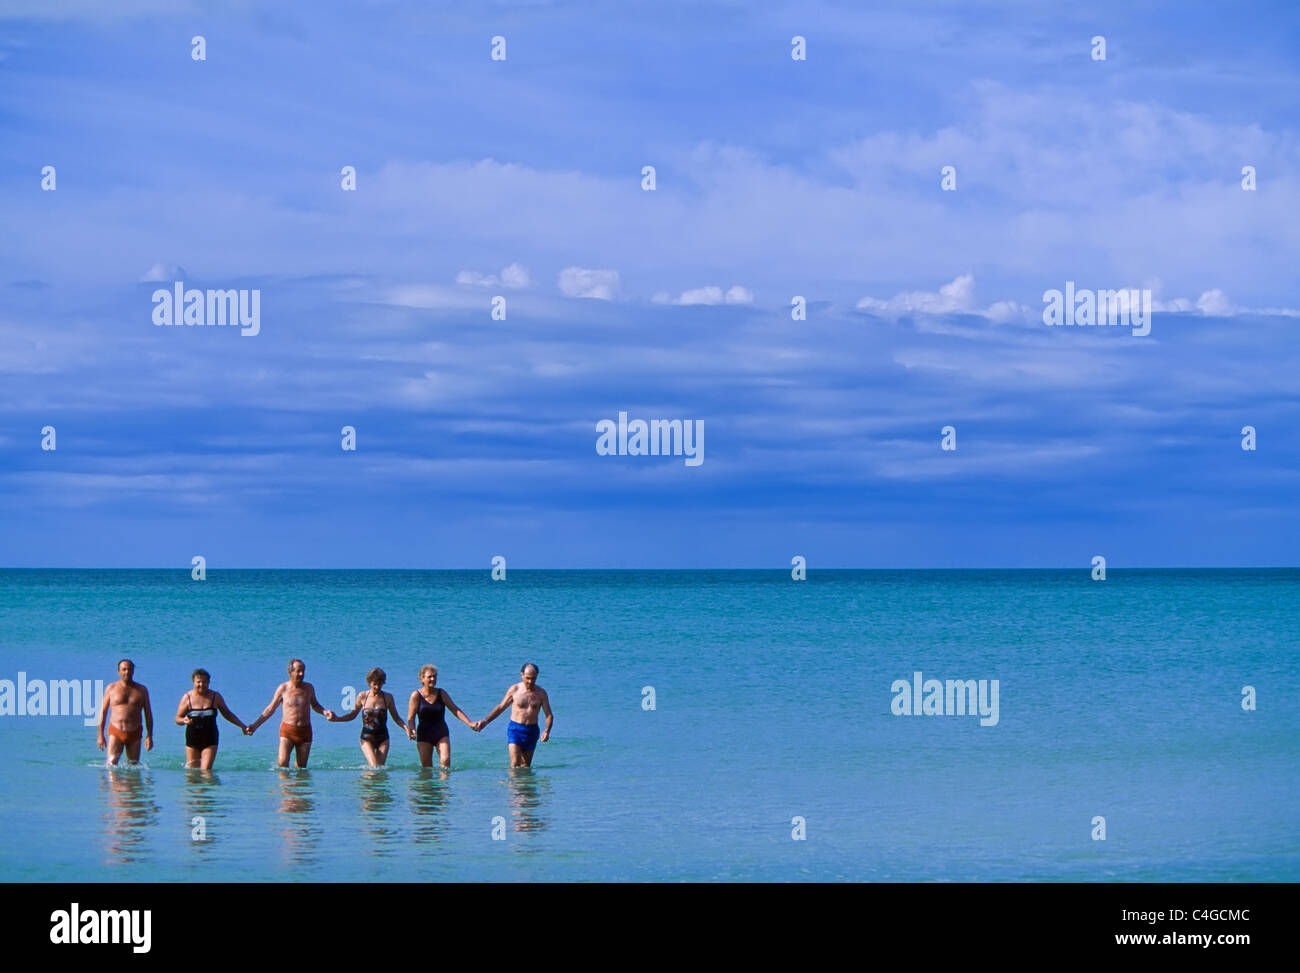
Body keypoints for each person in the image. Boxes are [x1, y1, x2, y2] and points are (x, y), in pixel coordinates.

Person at [246, 659, 335, 767]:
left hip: (305, 731)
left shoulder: (309, 688)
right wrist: (255, 725)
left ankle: (298, 784)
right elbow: (270, 709)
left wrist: (325, 712)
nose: (301, 674)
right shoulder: (283, 688)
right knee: (282, 764)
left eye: (303, 671)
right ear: (290, 672)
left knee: (301, 768)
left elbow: (315, 705)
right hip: (288, 731)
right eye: (298, 671)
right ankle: (284, 784)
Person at [476, 663, 552, 767]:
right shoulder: (514, 690)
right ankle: (512, 783)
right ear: (522, 675)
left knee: (525, 766)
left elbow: (549, 715)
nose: (530, 681)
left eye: (533, 678)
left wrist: (547, 731)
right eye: (527, 678)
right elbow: (500, 708)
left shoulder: (541, 693)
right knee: (515, 763)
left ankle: (523, 784)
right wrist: (486, 721)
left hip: (532, 730)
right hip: (515, 729)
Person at [329, 667, 408, 767]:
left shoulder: (388, 697)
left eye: (379, 684)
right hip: (367, 737)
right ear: (369, 683)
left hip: (383, 737)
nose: (377, 687)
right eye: (374, 684)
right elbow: (352, 715)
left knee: (380, 769)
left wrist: (406, 729)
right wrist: (336, 719)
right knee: (374, 766)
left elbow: (396, 718)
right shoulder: (362, 696)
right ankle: (366, 781)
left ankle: (370, 781)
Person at [406, 664, 478, 769]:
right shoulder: (416, 695)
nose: (433, 679)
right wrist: (412, 729)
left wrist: (469, 723)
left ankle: (444, 785)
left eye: (434, 676)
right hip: (424, 733)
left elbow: (455, 709)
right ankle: (428, 786)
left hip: (441, 732)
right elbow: (411, 718)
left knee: (445, 762)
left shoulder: (441, 693)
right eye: (429, 677)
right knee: (427, 768)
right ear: (422, 679)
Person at [174, 668, 248, 769]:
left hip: (210, 738)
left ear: (209, 682)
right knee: (192, 773)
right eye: (198, 682)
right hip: (192, 738)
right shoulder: (187, 697)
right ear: (193, 682)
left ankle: (208, 785)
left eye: (204, 682)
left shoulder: (215, 697)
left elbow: (227, 714)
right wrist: (184, 720)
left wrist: (242, 726)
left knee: (206, 771)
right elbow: (177, 718)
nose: (201, 685)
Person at [96, 659, 154, 766]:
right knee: (111, 764)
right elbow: (103, 713)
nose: (127, 672)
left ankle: (130, 783)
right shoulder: (111, 688)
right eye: (124, 669)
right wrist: (100, 735)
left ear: (133, 671)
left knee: (133, 765)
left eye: (129, 669)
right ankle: (111, 783)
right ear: (119, 672)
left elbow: (148, 715)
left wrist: (149, 736)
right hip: (116, 731)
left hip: (135, 732)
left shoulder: (142, 690)